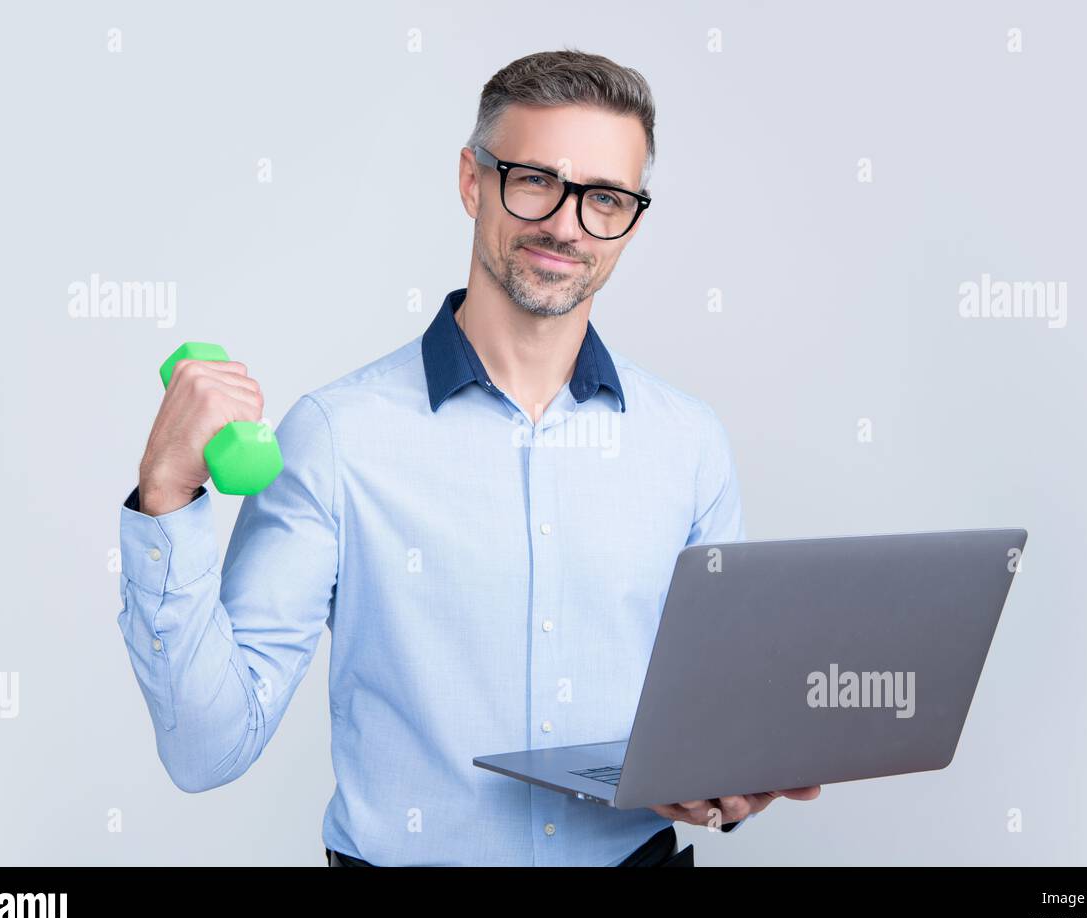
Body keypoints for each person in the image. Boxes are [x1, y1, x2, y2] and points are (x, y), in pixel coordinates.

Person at [117, 48, 819, 867]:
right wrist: (167, 496)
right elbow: (208, 748)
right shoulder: (339, 438)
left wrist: (732, 777)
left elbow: (712, 716)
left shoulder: (689, 443)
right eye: (533, 181)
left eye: (605, 199)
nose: (566, 224)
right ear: (471, 181)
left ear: (632, 220)